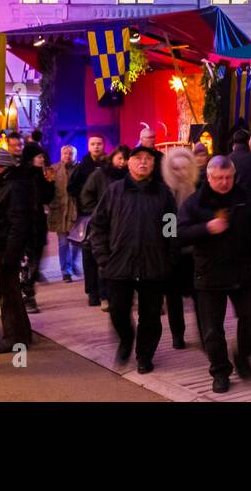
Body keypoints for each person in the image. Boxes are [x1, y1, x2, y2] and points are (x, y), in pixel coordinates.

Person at [89, 145, 179, 374]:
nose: (143, 162)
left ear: (153, 164)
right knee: (118, 311)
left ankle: (144, 355)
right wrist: (103, 257)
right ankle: (126, 340)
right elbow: (98, 226)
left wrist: (169, 259)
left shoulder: (163, 193)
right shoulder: (114, 191)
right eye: (138, 158)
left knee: (150, 316)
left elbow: (171, 229)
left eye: (148, 159)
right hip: (119, 263)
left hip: (153, 265)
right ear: (128, 163)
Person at [179, 155, 251, 393]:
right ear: (209, 176)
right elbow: (177, 232)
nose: (224, 182)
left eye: (228, 177)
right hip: (210, 273)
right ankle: (220, 371)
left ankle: (244, 357)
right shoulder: (195, 202)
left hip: (242, 271)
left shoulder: (244, 197)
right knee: (212, 329)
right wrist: (206, 228)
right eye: (219, 178)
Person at [0, 146, 34, 353]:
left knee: (7, 293)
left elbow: (19, 222)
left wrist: (11, 253)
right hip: (7, 244)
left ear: (4, 167)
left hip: (9, 247)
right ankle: (23, 334)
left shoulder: (15, 186)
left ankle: (14, 339)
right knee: (10, 292)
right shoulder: (7, 183)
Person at [79, 143, 128, 309]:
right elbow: (86, 196)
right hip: (104, 225)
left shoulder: (134, 178)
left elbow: (168, 216)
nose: (123, 162)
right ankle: (103, 295)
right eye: (120, 158)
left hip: (124, 227)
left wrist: (170, 236)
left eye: (126, 159)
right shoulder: (100, 175)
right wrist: (98, 213)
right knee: (103, 260)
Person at [161, 146, 200, 348]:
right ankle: (178, 334)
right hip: (174, 254)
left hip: (196, 254)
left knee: (200, 296)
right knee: (173, 297)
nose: (181, 173)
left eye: (185, 168)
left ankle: (204, 333)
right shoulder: (166, 194)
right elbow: (168, 228)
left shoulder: (198, 189)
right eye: (176, 169)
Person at [17, 143, 54, 310]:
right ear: (31, 158)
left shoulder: (42, 175)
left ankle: (29, 290)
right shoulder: (19, 175)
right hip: (23, 224)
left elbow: (47, 199)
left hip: (38, 224)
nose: (42, 159)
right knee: (25, 262)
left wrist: (50, 183)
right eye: (39, 157)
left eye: (43, 157)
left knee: (36, 261)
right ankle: (28, 296)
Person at [48, 145, 81, 282]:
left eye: (70, 153)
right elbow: (47, 190)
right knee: (63, 243)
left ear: (75, 155)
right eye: (65, 153)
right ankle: (65, 271)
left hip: (76, 211)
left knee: (77, 242)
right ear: (61, 154)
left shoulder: (80, 169)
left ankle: (73, 264)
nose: (67, 155)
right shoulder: (53, 169)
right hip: (60, 211)